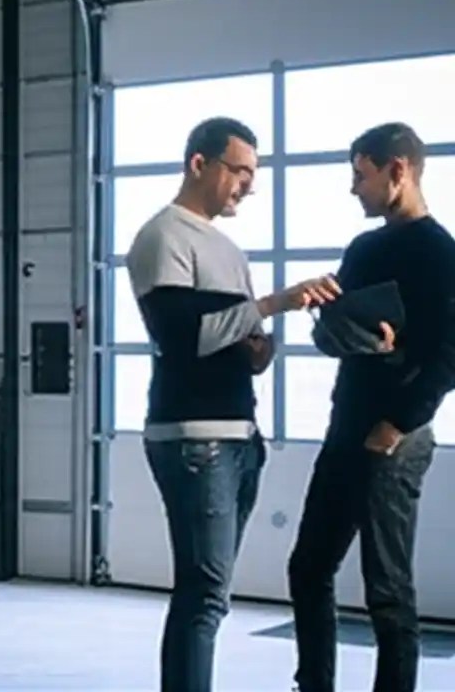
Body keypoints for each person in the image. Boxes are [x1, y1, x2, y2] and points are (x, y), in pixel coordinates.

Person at [125, 116, 341, 692]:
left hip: (237, 436)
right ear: (200, 163)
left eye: (254, 174)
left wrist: (262, 340)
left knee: (210, 595)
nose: (248, 184)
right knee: (202, 595)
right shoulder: (163, 236)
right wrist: (271, 304)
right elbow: (182, 337)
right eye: (240, 170)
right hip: (195, 438)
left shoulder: (227, 248)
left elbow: (236, 345)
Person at [287, 122, 455, 692]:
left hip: (395, 440)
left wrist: (397, 422)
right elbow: (335, 332)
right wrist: (338, 328)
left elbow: (450, 355)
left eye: (361, 176)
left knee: (387, 591)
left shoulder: (440, 253)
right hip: (346, 427)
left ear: (398, 170)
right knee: (308, 569)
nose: (353, 188)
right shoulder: (362, 248)